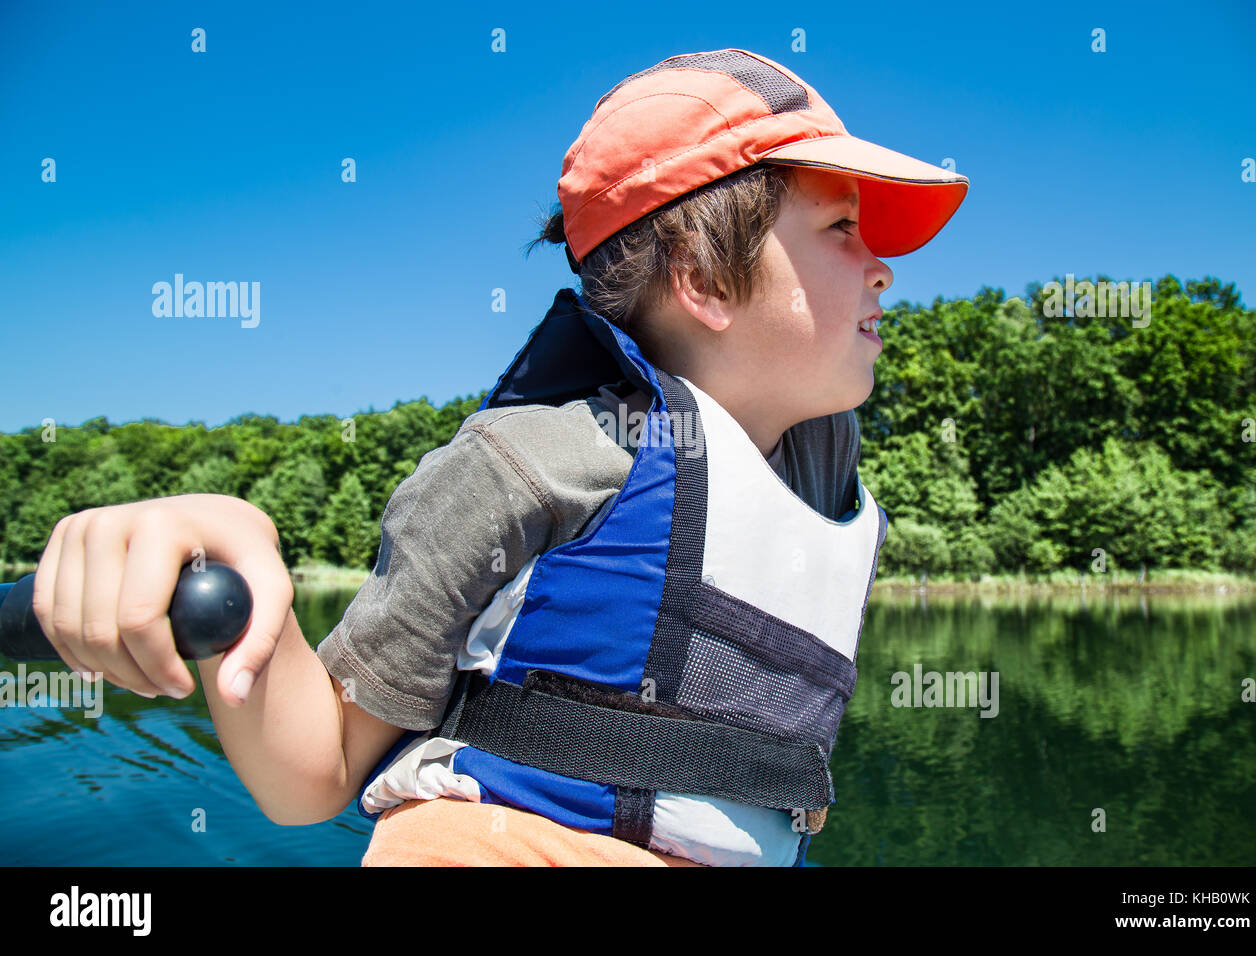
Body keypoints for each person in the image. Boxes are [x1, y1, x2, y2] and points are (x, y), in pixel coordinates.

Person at [29, 48, 968, 866]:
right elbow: (313, 775)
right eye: (842, 228)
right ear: (701, 279)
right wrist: (226, 561)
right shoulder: (537, 461)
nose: (883, 264)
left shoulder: (818, 470)